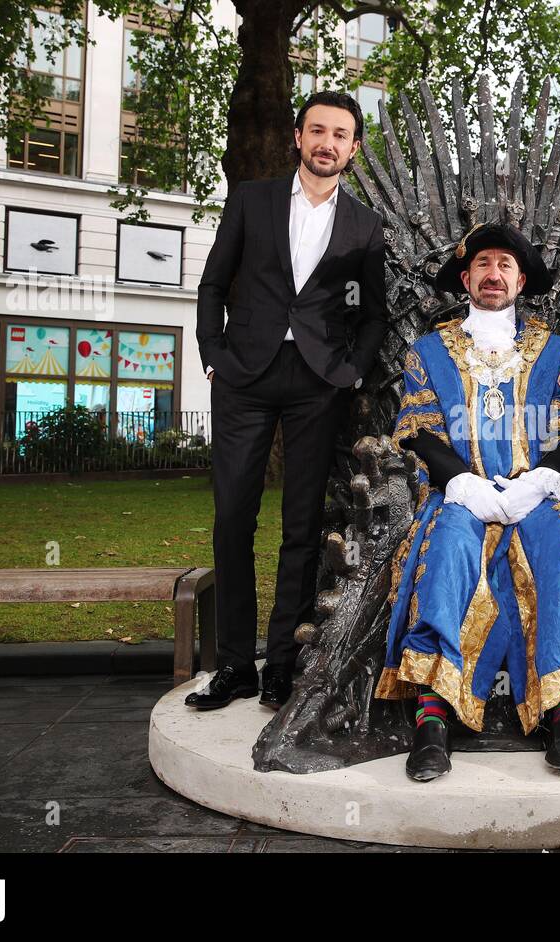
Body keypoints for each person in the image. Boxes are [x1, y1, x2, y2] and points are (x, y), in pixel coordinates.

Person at [376, 223, 560, 781]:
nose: (493, 274)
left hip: (537, 494)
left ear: (521, 280)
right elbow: (419, 430)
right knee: (447, 548)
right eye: (482, 265)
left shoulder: (556, 353)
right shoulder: (427, 352)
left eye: (504, 265)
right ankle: (434, 717)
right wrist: (466, 485)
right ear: (465, 277)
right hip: (458, 494)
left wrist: (536, 483)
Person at [186, 90, 388, 711]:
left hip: (316, 382)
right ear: (298, 138)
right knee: (233, 519)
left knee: (300, 526)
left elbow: (371, 311)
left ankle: (281, 663)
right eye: (318, 130)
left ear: (353, 150)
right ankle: (234, 666)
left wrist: (349, 371)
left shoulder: (363, 225)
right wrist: (214, 354)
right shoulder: (252, 200)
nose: (328, 143)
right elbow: (214, 282)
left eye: (341, 135)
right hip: (244, 375)